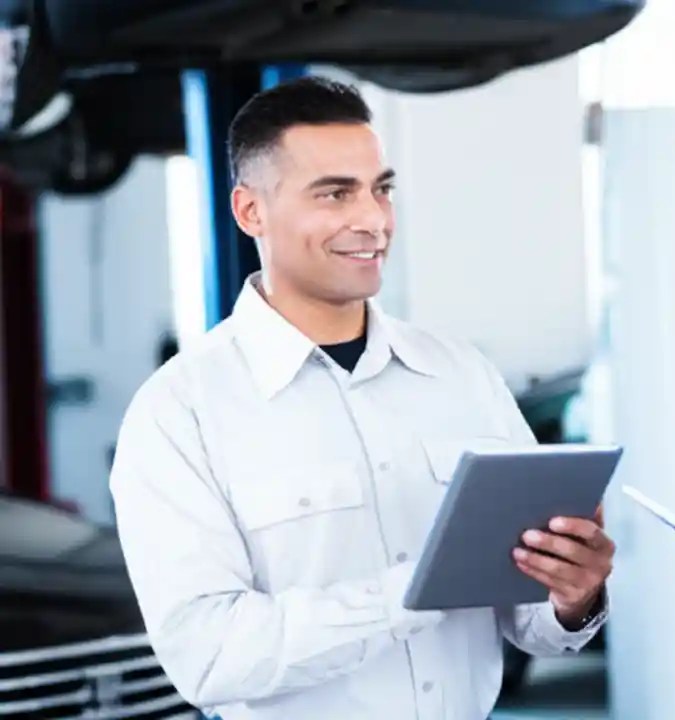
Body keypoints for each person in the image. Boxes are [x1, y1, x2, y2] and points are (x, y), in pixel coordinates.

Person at [108, 77, 613, 720]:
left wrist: (572, 594)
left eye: (381, 189)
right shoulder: (180, 412)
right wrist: (412, 593)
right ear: (250, 212)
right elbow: (210, 657)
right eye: (335, 193)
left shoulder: (461, 375)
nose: (372, 219)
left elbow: (528, 625)